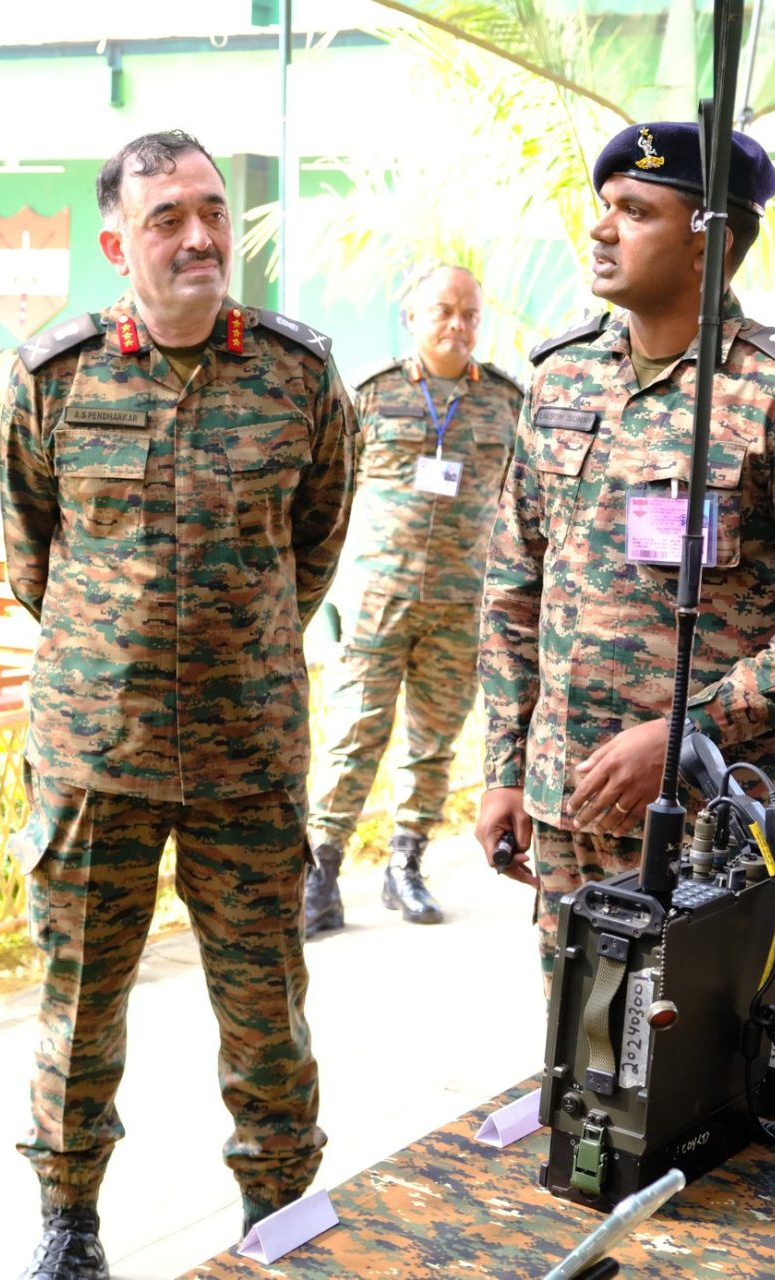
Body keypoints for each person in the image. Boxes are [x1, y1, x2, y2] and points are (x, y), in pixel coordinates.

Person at [0, 129, 354, 1279]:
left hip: (248, 754)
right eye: (167, 218)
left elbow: (315, 544)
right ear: (117, 243)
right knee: (79, 1000)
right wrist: (124, 656)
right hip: (96, 753)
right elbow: (28, 555)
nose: (199, 235)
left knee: (266, 1006)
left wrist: (229, 650)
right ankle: (68, 1217)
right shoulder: (55, 376)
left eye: (211, 209)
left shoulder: (300, 375)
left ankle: (279, 1210)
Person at [477, 120, 775, 976]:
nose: (600, 228)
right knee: (579, 1052)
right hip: (562, 806)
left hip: (702, 815)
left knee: (691, 1073)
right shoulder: (561, 379)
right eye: (605, 207)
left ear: (711, 241)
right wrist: (506, 768)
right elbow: (515, 583)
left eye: (634, 211)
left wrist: (687, 732)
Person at [302, 264, 523, 933]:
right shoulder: (371, 393)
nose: (457, 325)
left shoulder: (506, 402)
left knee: (434, 742)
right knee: (352, 735)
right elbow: (326, 489)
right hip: (378, 595)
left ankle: (406, 865)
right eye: (443, 311)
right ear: (412, 317)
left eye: (469, 315)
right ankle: (322, 871)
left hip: (461, 605)